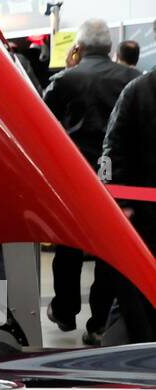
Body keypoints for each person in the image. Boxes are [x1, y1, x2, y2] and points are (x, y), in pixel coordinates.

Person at [42, 18, 140, 344]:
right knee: (109, 255)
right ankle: (99, 322)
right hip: (118, 183)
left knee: (68, 247)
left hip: (74, 179)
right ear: (110, 47)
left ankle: (65, 310)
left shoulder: (64, 81)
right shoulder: (134, 80)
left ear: (78, 47)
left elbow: (42, 128)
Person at [101, 62, 156, 343]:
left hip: (142, 213)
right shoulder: (137, 91)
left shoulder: (137, 91)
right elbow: (110, 152)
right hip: (143, 217)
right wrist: (117, 200)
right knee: (136, 297)